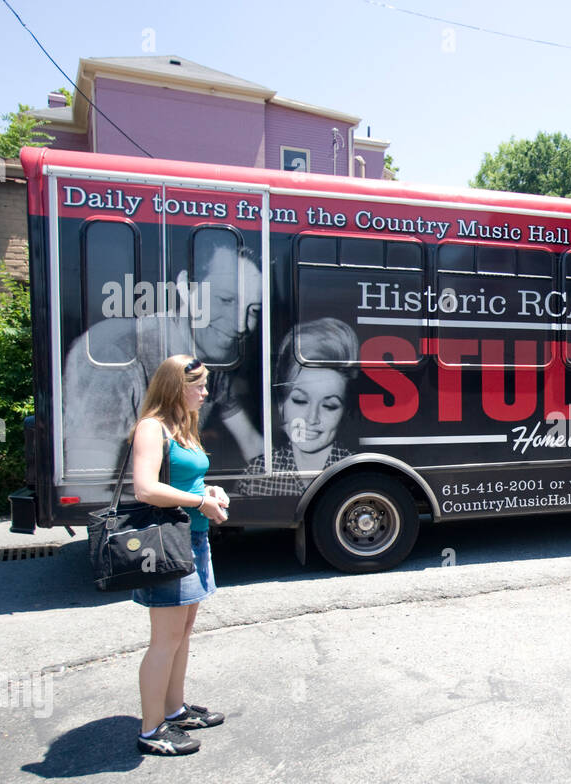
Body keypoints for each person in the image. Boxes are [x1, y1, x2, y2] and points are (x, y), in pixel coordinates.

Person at [62, 243, 262, 477]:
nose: (240, 326)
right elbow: (85, 486)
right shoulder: (115, 351)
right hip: (143, 510)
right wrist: (198, 500)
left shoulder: (213, 363)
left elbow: (250, 441)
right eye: (226, 300)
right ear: (187, 289)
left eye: (254, 311)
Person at [130, 355, 230, 756]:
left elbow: (191, 479)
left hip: (194, 539)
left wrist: (210, 493)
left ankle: (174, 711)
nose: (205, 393)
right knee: (164, 640)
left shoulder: (181, 426)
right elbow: (145, 489)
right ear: (175, 386)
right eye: (199, 386)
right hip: (166, 543)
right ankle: (151, 731)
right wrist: (197, 501)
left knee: (182, 633)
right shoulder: (151, 429)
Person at [237, 318, 358, 496]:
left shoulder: (355, 473)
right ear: (281, 403)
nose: (312, 417)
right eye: (300, 400)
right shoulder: (255, 475)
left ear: (344, 412)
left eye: (329, 405)